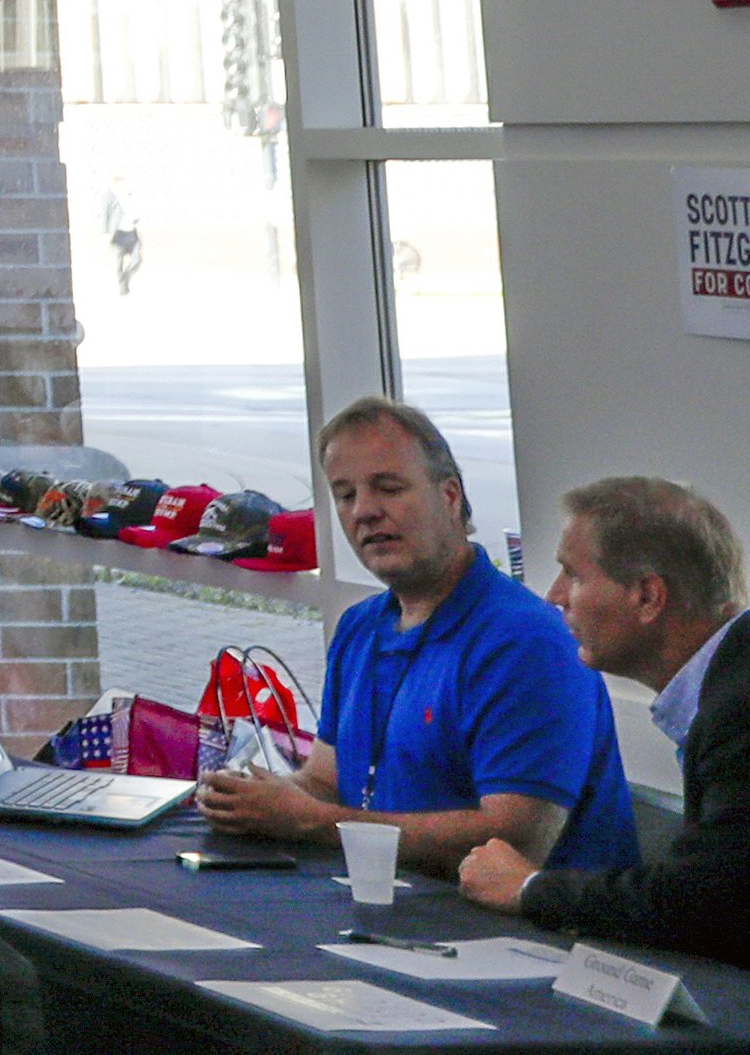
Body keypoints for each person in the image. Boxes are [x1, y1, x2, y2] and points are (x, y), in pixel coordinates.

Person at [201, 397, 640, 873]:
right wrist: (251, 800)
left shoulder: (526, 642)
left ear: (450, 497)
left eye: (388, 489)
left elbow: (513, 841)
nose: (365, 511)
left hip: (533, 935)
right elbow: (327, 783)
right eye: (345, 495)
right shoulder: (359, 628)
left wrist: (311, 822)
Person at [458, 477, 750, 966]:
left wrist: (529, 888)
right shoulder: (728, 685)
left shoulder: (739, 709)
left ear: (647, 597)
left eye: (572, 575)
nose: (553, 597)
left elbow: (708, 900)